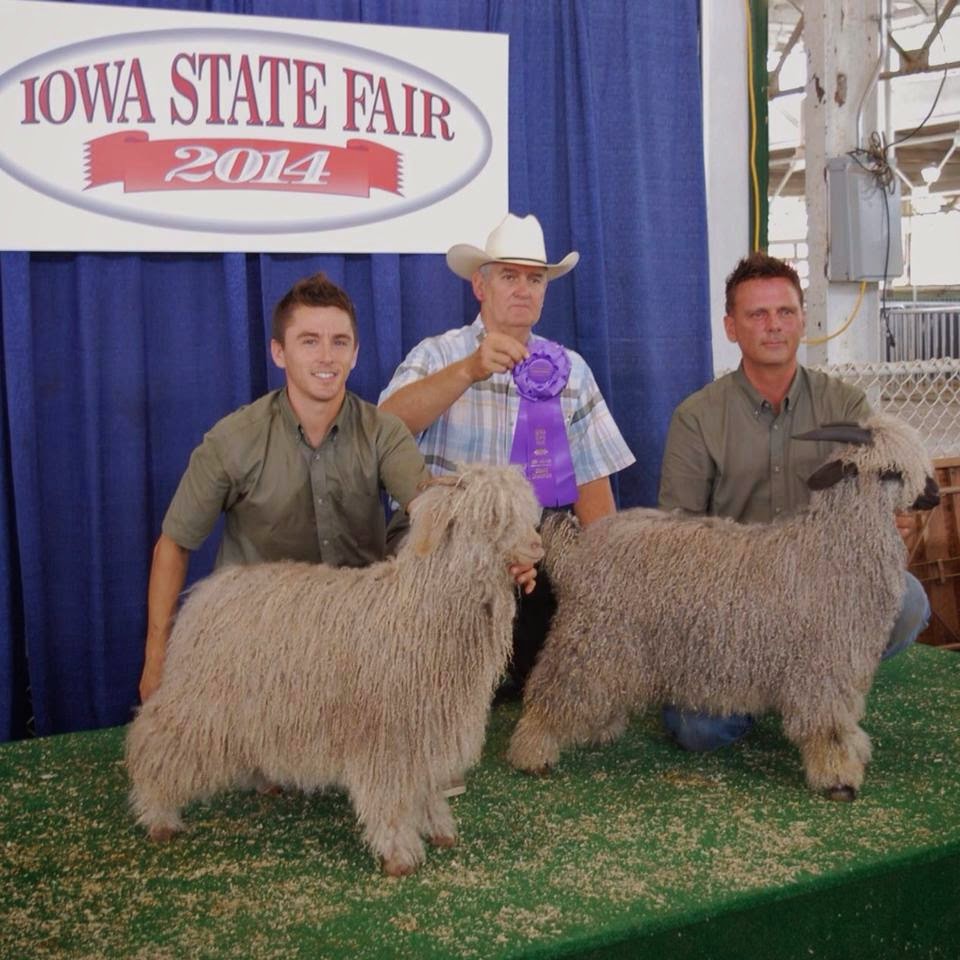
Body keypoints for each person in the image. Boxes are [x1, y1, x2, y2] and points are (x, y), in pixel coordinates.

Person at [657, 251, 931, 750]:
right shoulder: (697, 417)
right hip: (735, 601)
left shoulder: (847, 406)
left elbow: (880, 510)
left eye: (785, 312)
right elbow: (678, 538)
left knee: (908, 599)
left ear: (803, 319)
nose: (774, 326)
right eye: (756, 315)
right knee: (699, 731)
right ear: (731, 327)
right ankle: (773, 688)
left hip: (824, 589)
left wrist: (895, 528)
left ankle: (816, 686)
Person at [139, 272, 430, 703]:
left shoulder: (384, 433)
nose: (326, 356)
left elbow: (432, 511)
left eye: (340, 342)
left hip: (357, 640)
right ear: (279, 352)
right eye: (309, 341)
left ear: (355, 353)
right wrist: (157, 657)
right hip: (256, 641)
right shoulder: (233, 439)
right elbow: (174, 545)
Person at [379, 212, 635, 691]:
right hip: (442, 529)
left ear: (544, 291)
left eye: (535, 278)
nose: (524, 288)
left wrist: (604, 582)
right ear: (481, 285)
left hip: (531, 541)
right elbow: (383, 429)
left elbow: (593, 490)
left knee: (549, 650)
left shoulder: (570, 370)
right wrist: (467, 371)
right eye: (510, 276)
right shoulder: (436, 354)